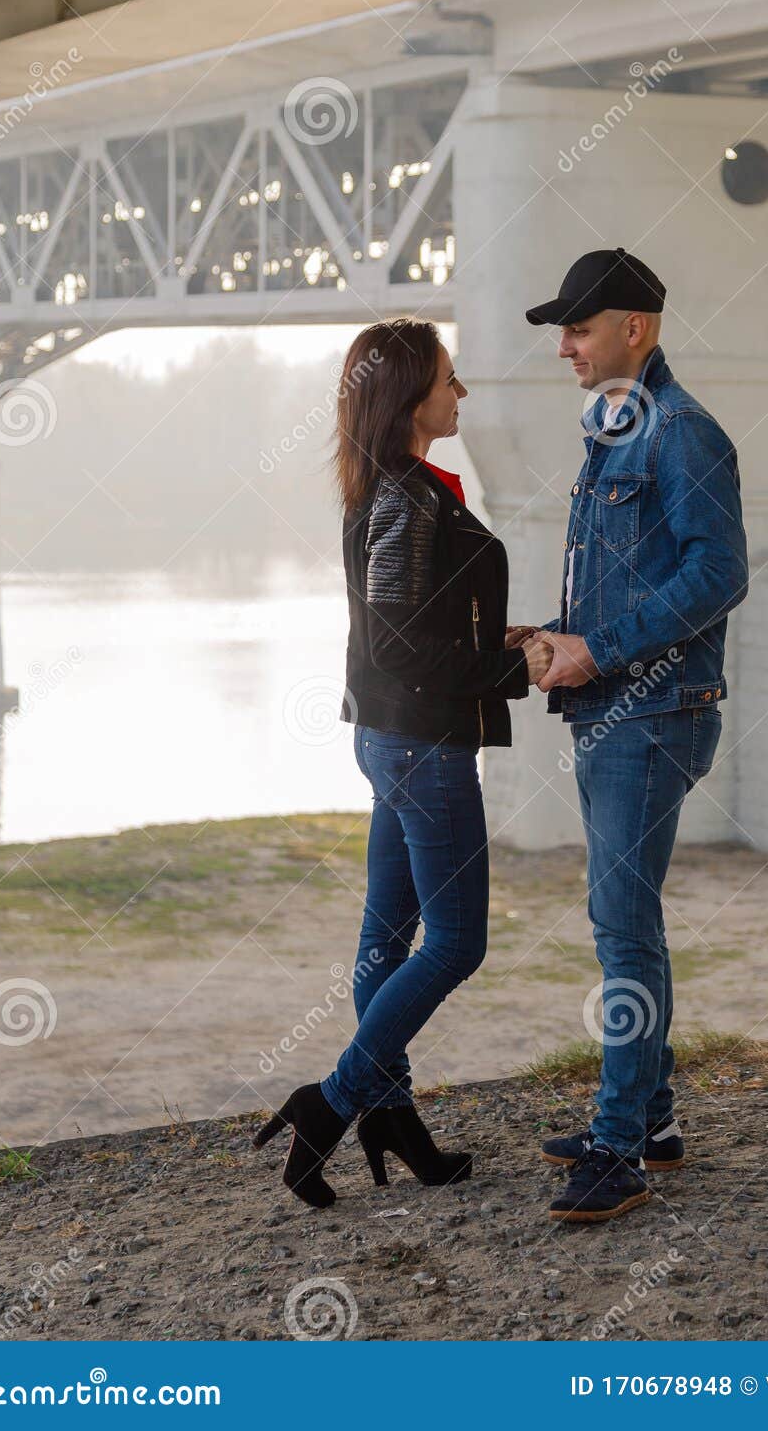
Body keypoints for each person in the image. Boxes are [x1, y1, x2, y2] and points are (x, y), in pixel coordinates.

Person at [255, 318, 553, 1207]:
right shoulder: (403, 499)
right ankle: (335, 1100)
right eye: (450, 381)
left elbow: (409, 631)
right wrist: (515, 668)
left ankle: (390, 1113)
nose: (461, 394)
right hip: (422, 746)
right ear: (409, 399)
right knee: (455, 943)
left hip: (394, 737)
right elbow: (395, 650)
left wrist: (491, 638)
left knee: (386, 938)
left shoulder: (401, 490)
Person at [510, 247, 748, 1224]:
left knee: (620, 927)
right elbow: (629, 573)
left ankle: (618, 1151)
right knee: (628, 919)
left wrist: (596, 647)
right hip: (614, 705)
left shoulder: (682, 435)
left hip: (652, 711)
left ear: (633, 329)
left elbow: (717, 574)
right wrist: (555, 640)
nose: (563, 346)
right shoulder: (620, 429)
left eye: (578, 327)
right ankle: (645, 1119)